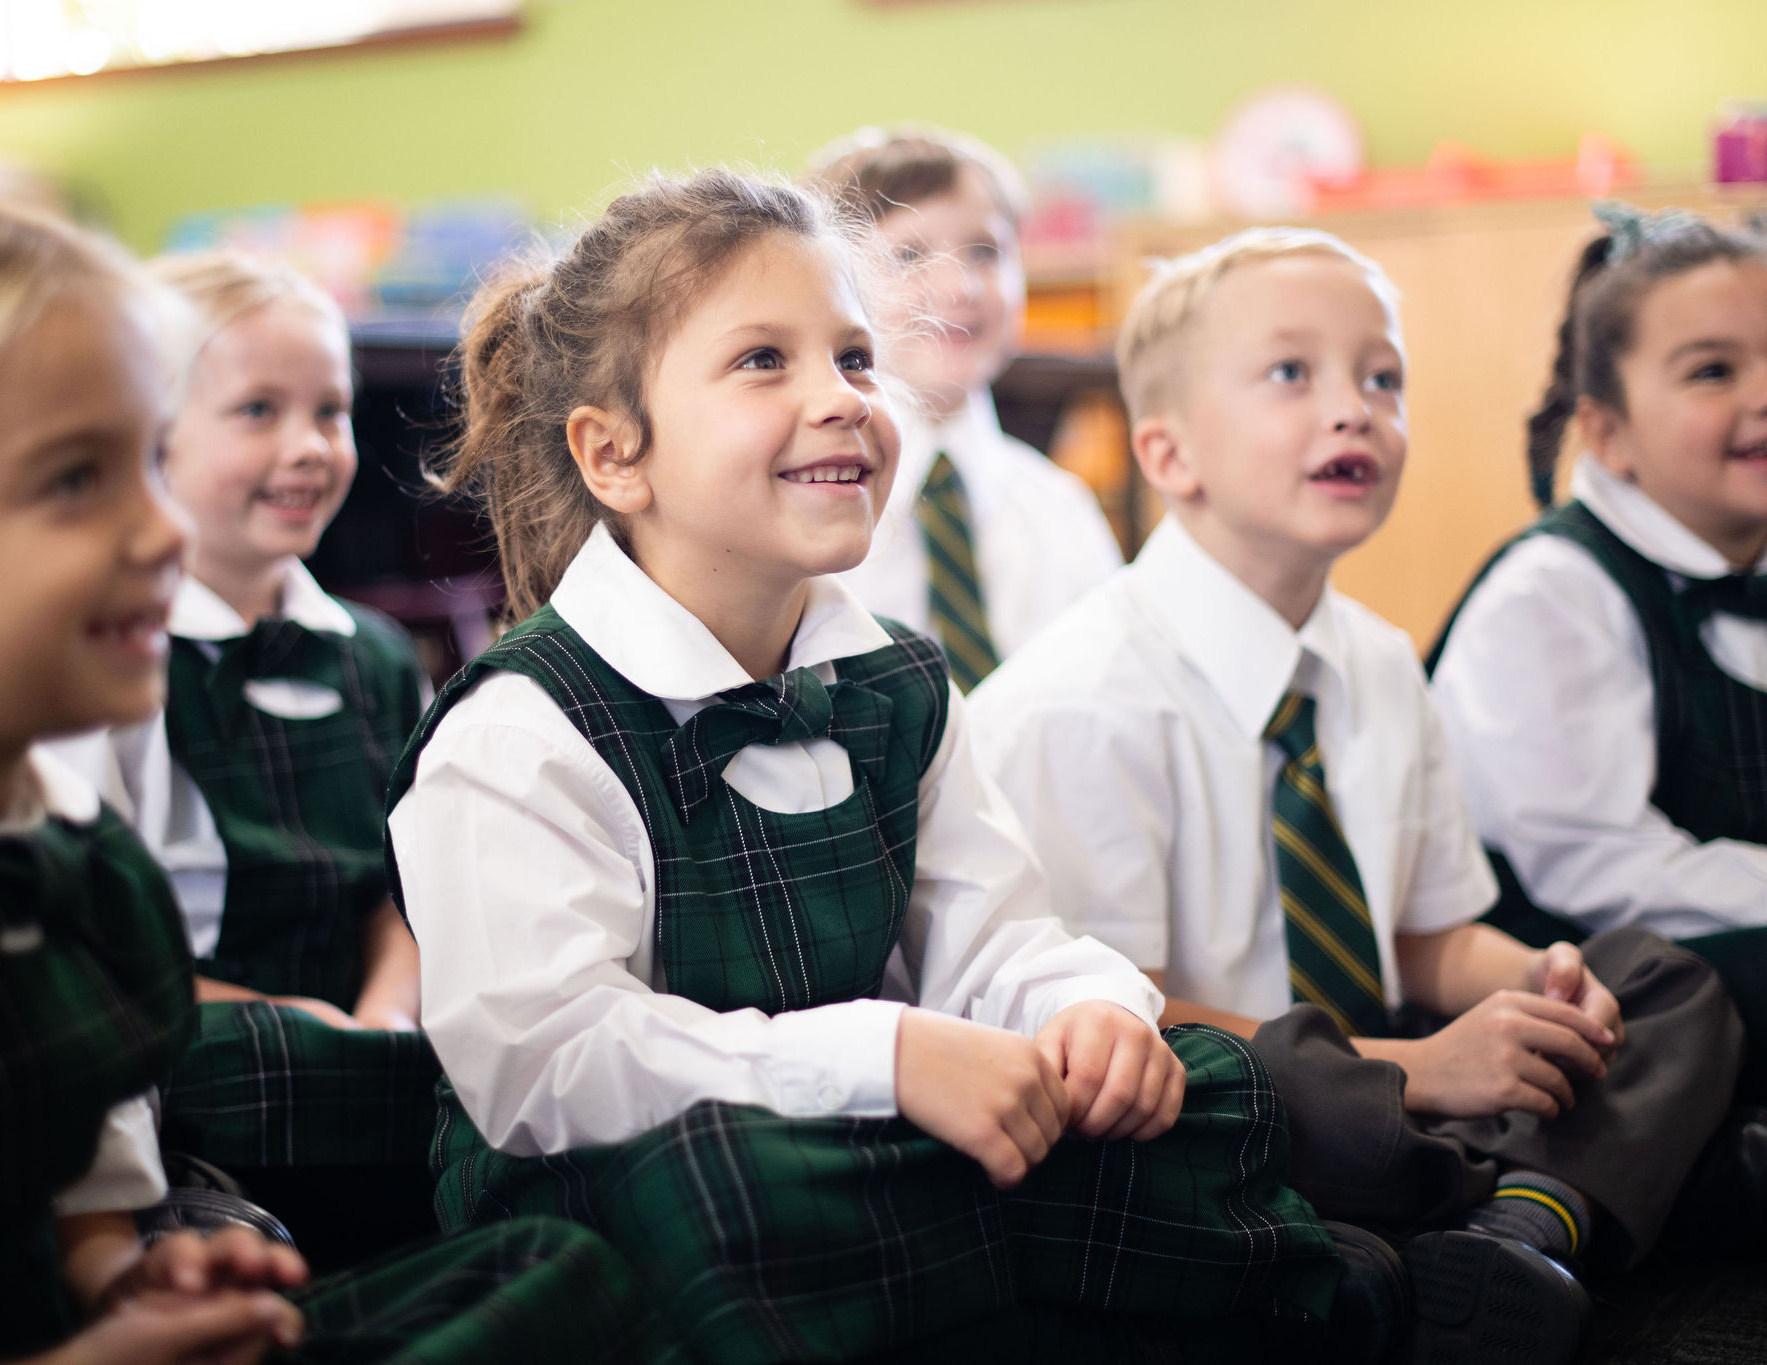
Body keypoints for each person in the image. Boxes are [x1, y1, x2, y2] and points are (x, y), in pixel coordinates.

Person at [386, 168, 1352, 1365]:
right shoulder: (519, 730)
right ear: (613, 454)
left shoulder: (895, 680)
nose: (839, 399)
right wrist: (883, 1058)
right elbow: (547, 1070)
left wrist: (1081, 1012)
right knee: (719, 1193)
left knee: (1203, 1080)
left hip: (876, 1139)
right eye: (761, 362)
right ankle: (1239, 1290)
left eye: (851, 358)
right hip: (646, 1189)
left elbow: (990, 935)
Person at [0, 194, 670, 1365]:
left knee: (567, 1268)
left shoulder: (57, 838)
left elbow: (82, 1188)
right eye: (77, 480)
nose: (160, 531)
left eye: (146, 461)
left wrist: (132, 1279)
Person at [971, 225, 1746, 1364]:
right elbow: (1112, 1026)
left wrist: (1539, 984)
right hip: (1214, 1096)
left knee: (1668, 978)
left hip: (1387, 1072)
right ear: (1170, 454)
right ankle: (1580, 1186)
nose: (1354, 410)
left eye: (1380, 378)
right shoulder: (1082, 699)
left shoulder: (1378, 662)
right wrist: (1425, 1072)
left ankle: (1515, 1224)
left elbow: (1426, 939)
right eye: (1292, 374)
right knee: (1284, 1111)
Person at [47, 251, 439, 1262]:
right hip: (191, 1018)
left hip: (364, 1019)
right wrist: (294, 1015)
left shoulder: (378, 654)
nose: (308, 447)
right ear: (152, 432)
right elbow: (94, 947)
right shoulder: (113, 656)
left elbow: (406, 889)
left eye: (330, 411)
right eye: (258, 411)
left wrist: (386, 1011)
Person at [1429, 206, 1767, 1110]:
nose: (1763, 394)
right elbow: (1597, 866)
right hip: (1580, 985)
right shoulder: (1554, 592)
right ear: (1607, 433)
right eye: (1713, 371)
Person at [812, 127, 1123, 692]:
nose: (959, 287)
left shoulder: (1062, 512)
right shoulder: (805, 511)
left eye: (986, 251)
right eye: (908, 255)